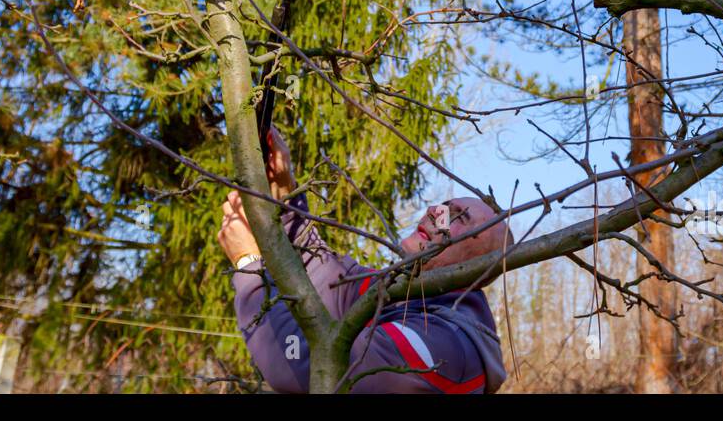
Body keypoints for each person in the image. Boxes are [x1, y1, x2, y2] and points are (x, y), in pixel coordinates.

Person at [217, 128, 508, 393]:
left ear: (476, 266)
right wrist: (285, 195)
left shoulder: (446, 346)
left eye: (457, 217)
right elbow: (333, 280)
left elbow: (302, 366)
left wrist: (249, 263)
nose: (435, 212)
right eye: (443, 206)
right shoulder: (405, 296)